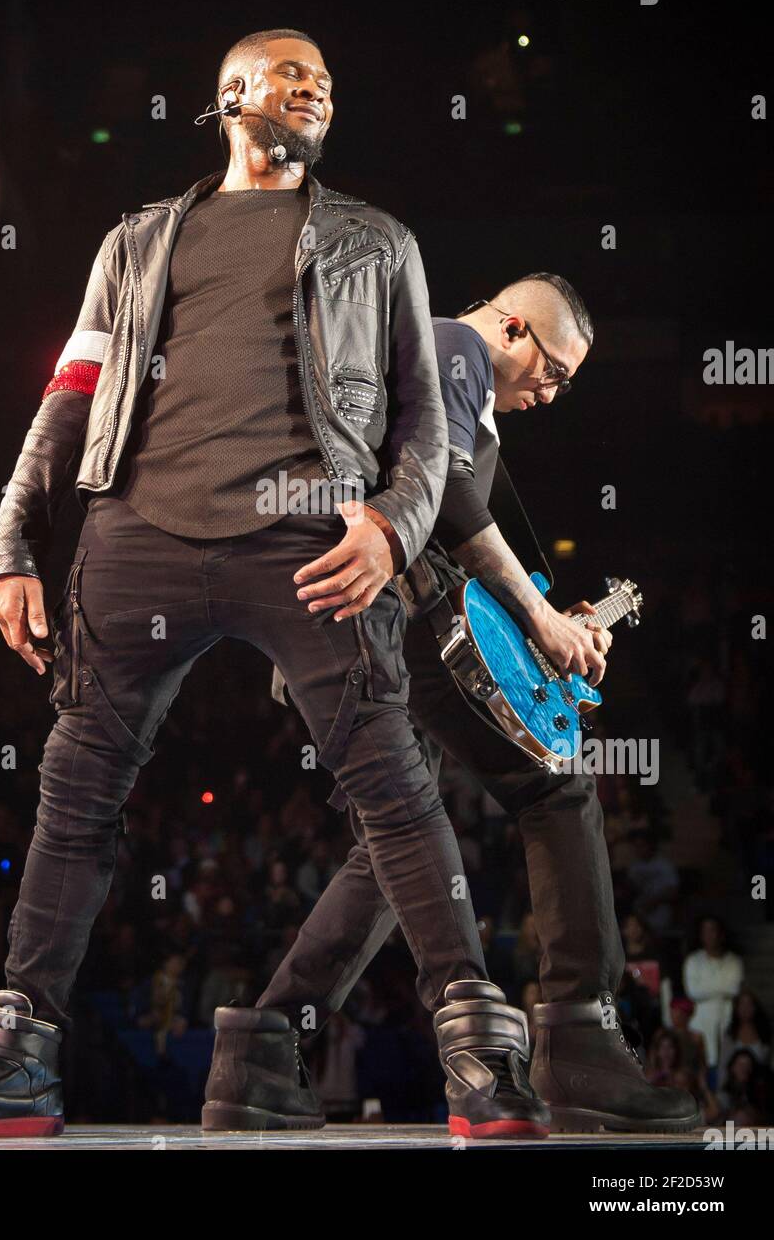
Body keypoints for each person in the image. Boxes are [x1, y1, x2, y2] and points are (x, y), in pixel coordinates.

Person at [0, 28, 548, 1140]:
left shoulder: (379, 243)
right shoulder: (135, 242)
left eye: (328, 80)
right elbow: (65, 404)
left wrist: (390, 521)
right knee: (75, 792)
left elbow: (426, 422)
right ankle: (16, 1059)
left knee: (392, 785)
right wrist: (9, 541)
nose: (317, 92)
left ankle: (478, 1050)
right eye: (294, 75)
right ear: (231, 95)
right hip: (134, 534)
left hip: (314, 543)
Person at [213, 277, 698, 1133]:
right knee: (557, 789)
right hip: (398, 619)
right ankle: (579, 1041)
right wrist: (542, 622)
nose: (555, 393)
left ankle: (260, 1050)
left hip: (361, 633)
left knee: (392, 846)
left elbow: (452, 511)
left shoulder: (455, 377)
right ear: (514, 327)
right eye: (554, 371)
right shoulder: (453, 347)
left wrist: (547, 618)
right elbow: (447, 495)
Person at [683, 915, 744, 1070]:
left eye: (713, 930)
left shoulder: (734, 961)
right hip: (701, 1021)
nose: (709, 935)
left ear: (721, 934)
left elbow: (735, 989)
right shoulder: (693, 961)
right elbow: (693, 991)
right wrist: (722, 989)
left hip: (727, 1019)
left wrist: (708, 989)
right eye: (705, 931)